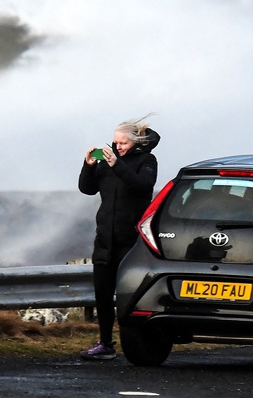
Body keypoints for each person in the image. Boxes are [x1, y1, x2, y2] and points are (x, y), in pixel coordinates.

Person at [77, 115, 159, 361]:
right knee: (102, 294)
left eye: (123, 143)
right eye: (115, 142)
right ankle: (105, 343)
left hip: (130, 240)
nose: (118, 147)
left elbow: (143, 186)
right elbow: (87, 188)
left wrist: (117, 165)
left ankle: (136, 342)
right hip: (105, 239)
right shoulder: (107, 162)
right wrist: (89, 165)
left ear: (135, 142)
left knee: (130, 295)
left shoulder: (147, 160)